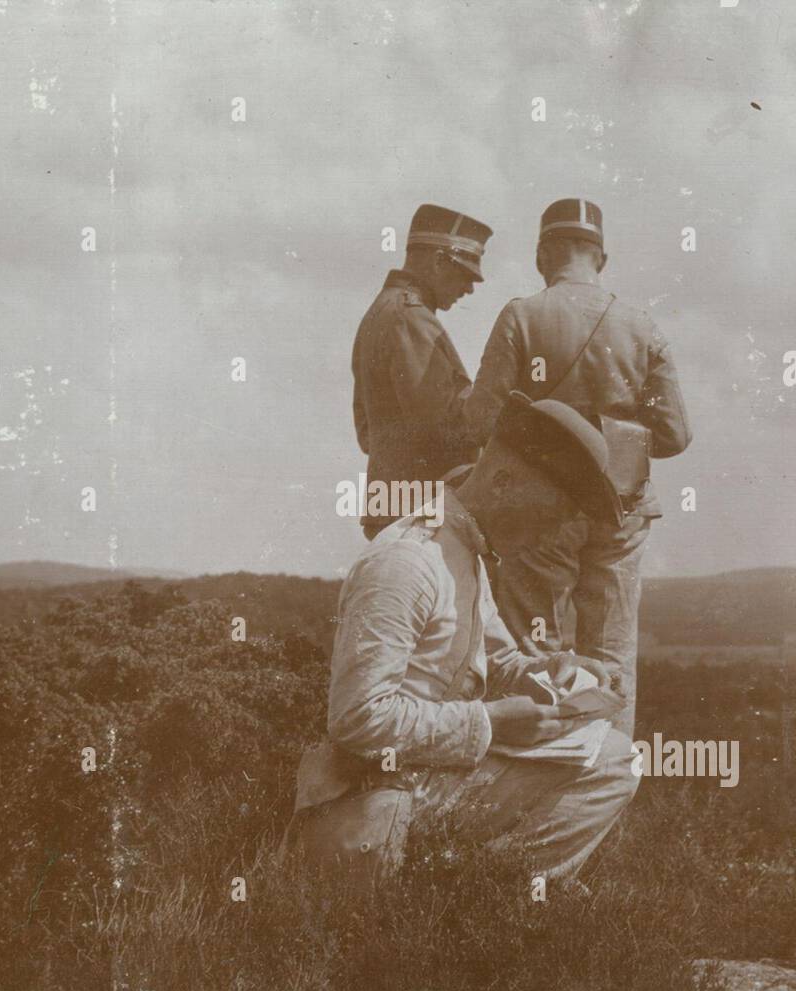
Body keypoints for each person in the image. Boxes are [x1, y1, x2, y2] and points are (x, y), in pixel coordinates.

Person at [285, 394, 642, 888]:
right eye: (550, 514)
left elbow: (496, 659)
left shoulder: (463, 551)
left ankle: (491, 891)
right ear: (501, 482)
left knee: (610, 753)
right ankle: (500, 896)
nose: (549, 536)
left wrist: (557, 669)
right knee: (615, 761)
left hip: (423, 775)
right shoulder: (407, 562)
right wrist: (490, 723)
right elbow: (357, 719)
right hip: (382, 790)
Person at [463, 198, 692, 738]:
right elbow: (677, 434)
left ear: (544, 255)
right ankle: (607, 782)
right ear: (601, 259)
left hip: (538, 513)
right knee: (611, 656)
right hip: (621, 510)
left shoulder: (522, 315)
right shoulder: (642, 325)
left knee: (533, 653)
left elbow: (479, 421)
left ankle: (535, 791)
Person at [350, 203, 492, 540]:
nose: (469, 289)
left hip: (397, 505)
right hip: (421, 513)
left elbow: (366, 431)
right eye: (465, 273)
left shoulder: (384, 311)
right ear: (439, 260)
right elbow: (446, 427)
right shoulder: (409, 319)